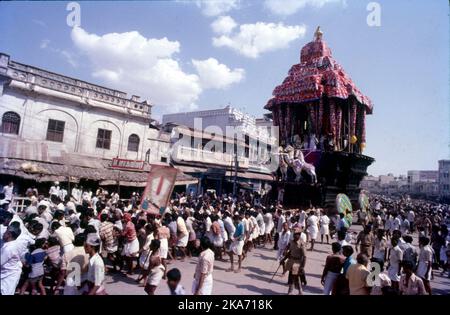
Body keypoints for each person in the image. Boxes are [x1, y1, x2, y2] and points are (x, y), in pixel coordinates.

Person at [281, 228, 306, 295]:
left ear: (299, 234)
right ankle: (300, 291)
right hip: (291, 261)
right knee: (295, 277)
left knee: (292, 276)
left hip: (297, 262)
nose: (294, 236)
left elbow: (304, 256)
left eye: (296, 234)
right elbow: (290, 252)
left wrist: (302, 267)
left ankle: (291, 291)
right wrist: (284, 259)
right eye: (294, 234)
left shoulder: (301, 243)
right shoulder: (291, 242)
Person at [1, 224, 22, 295]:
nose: (3, 234)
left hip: (9, 275)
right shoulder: (12, 244)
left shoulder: (9, 248)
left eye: (5, 232)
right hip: (6, 273)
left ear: (9, 234)